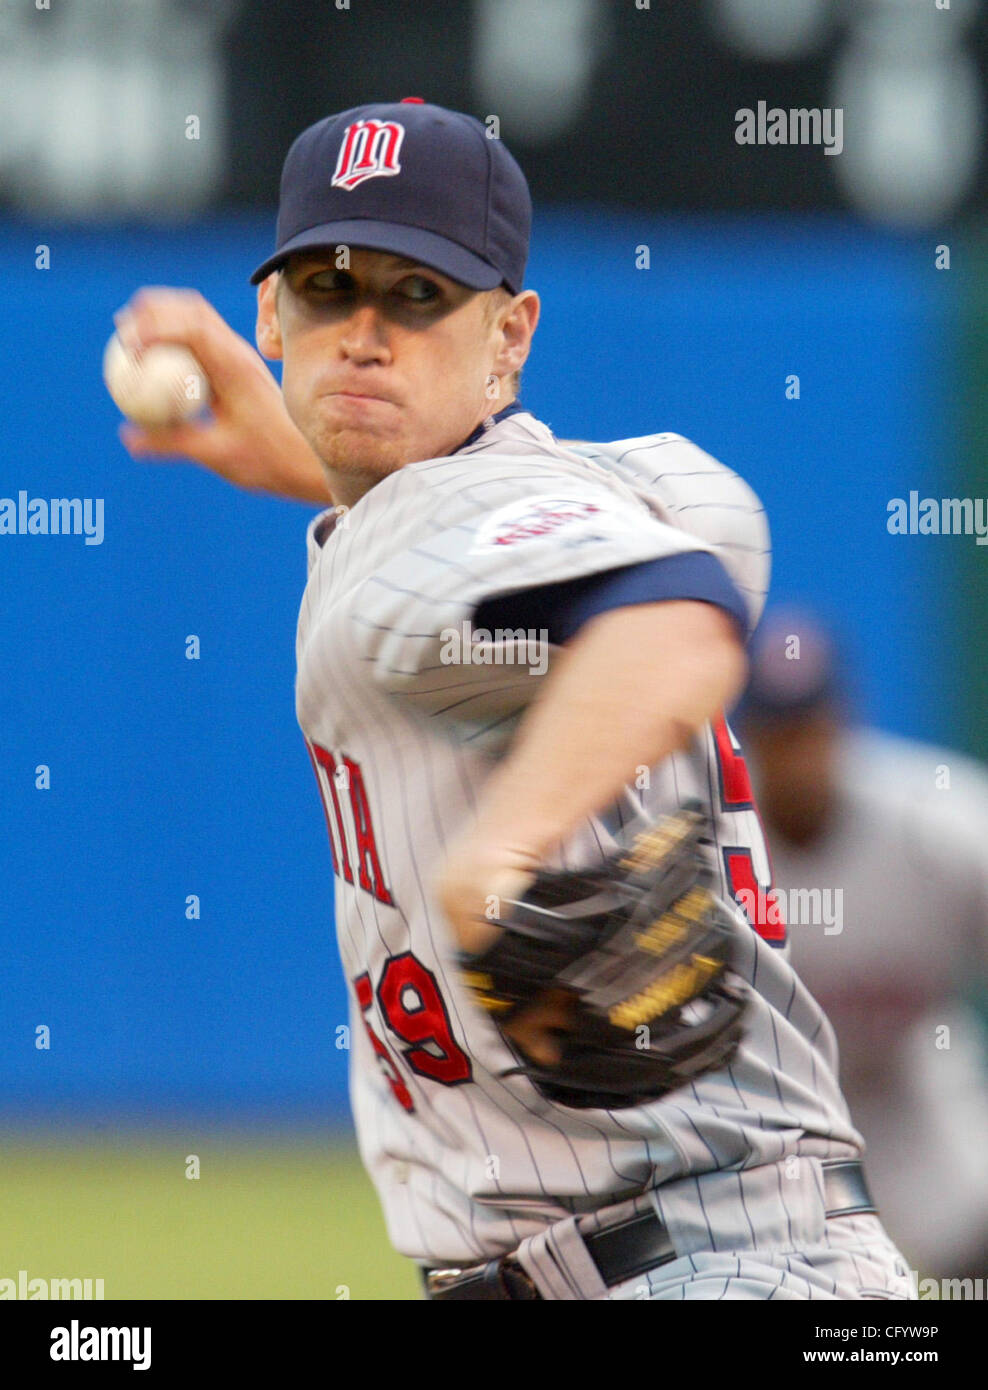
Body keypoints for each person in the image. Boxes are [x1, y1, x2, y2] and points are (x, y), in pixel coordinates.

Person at [112, 99, 915, 1301]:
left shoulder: (414, 551)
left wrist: (494, 857)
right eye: (330, 290)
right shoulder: (651, 480)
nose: (368, 333)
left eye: (420, 295)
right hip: (765, 1250)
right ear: (271, 314)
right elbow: (653, 554)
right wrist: (293, 447)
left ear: (510, 335)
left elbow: (671, 621)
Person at [737, 608, 988, 1287]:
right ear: (748, 737)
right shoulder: (710, 847)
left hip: (908, 1087)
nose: (797, 752)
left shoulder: (946, 825)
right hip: (770, 1121)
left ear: (843, 718)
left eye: (809, 727)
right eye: (777, 731)